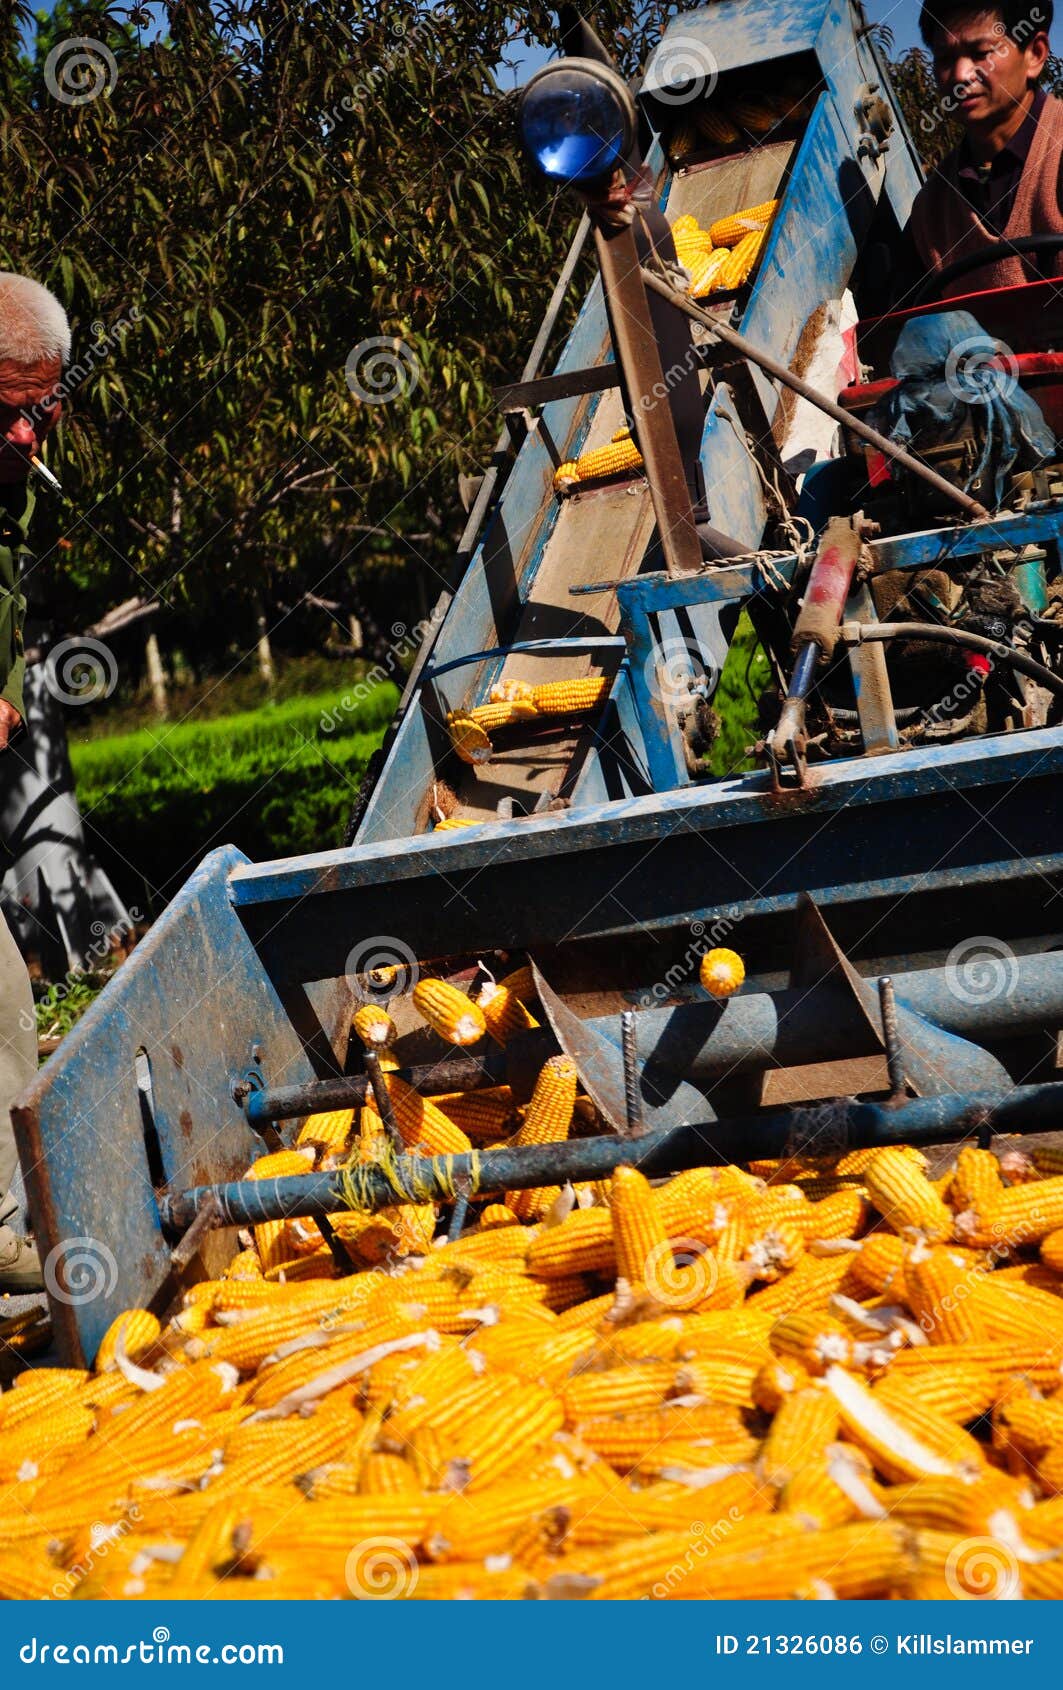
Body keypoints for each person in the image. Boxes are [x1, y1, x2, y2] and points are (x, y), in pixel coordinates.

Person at [0, 272, 69, 1291]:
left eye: (41, 409)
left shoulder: (25, 492)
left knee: (8, 1000)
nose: (25, 435)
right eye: (4, 410)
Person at [903, 0, 1063, 299]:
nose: (961, 75)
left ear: (1035, 54)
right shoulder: (932, 210)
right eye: (945, 58)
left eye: (981, 54)